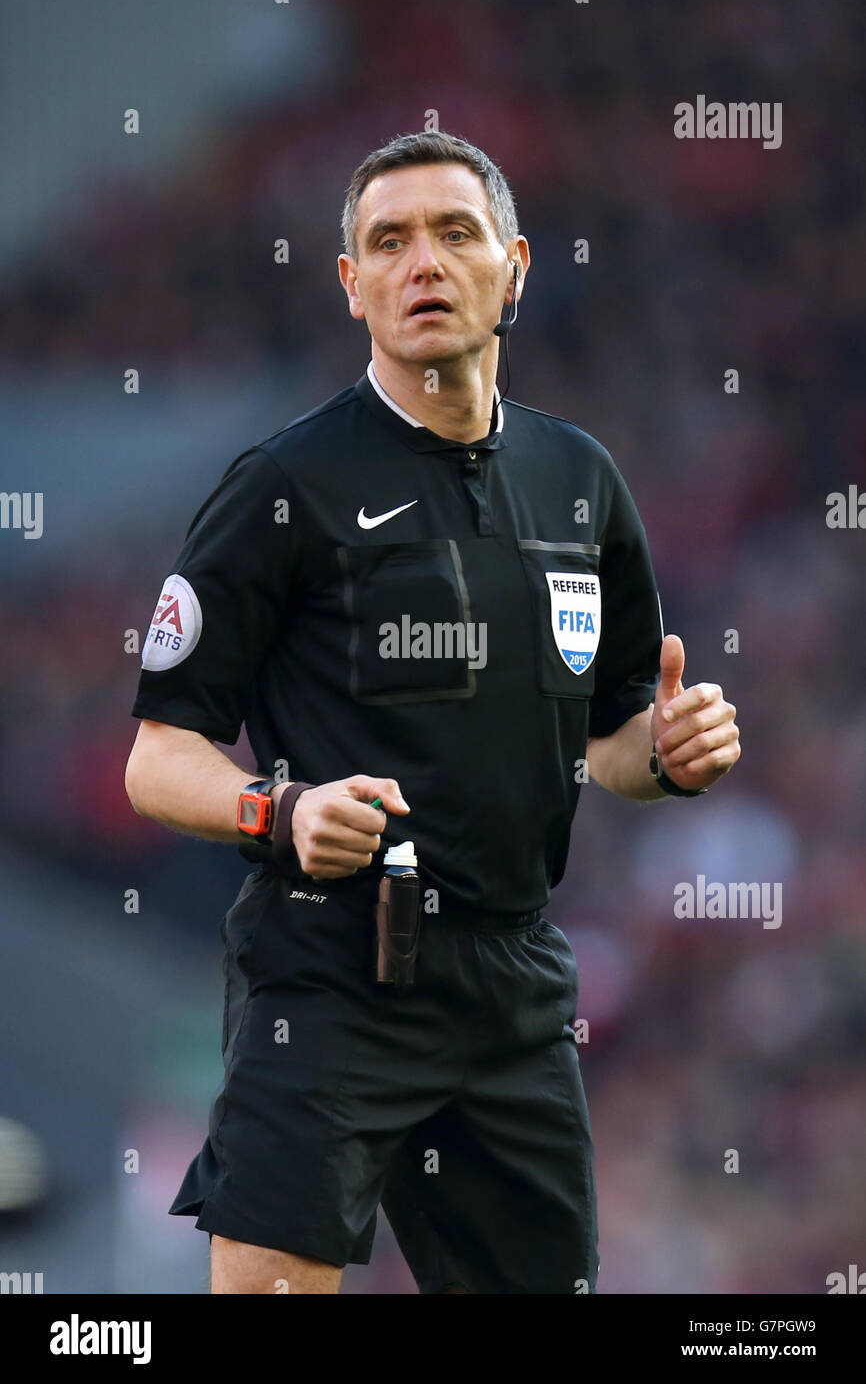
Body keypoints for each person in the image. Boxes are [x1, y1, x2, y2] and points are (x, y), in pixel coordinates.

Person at [125, 129, 740, 1295]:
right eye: (388, 241)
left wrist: (663, 755)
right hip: (330, 969)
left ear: (511, 267)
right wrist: (278, 808)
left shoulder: (579, 480)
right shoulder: (282, 486)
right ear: (350, 286)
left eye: (453, 235)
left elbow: (611, 745)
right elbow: (155, 757)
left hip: (511, 983)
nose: (423, 263)